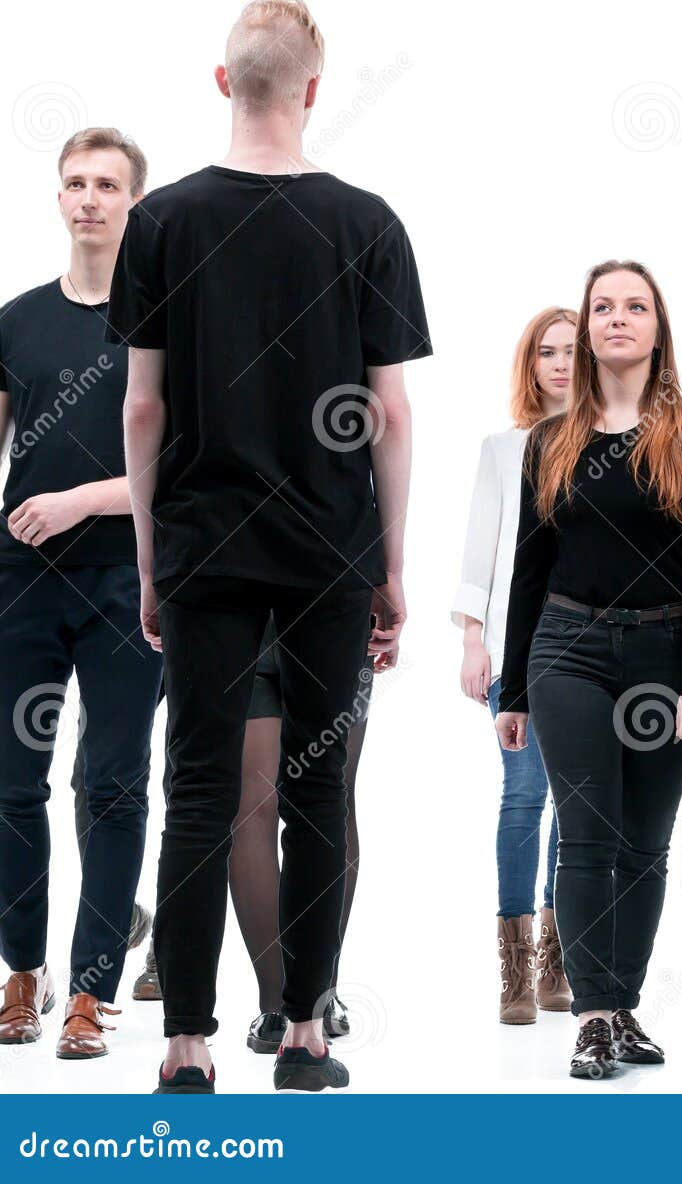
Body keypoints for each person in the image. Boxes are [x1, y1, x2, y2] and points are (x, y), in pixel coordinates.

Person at [110, 0, 430, 1094]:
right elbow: (389, 414)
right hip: (328, 548)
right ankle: (304, 1033)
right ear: (312, 88)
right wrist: (390, 564)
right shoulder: (368, 222)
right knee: (318, 788)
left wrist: (150, 560)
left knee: (199, 788)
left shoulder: (161, 222)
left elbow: (142, 409)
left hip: (203, 544)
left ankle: (185, 1044)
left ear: (223, 81)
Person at [495, 260, 682, 1081]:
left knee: (646, 843)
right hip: (568, 650)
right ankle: (593, 1015)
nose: (617, 318)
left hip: (666, 656)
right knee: (587, 834)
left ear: (658, 327)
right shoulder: (551, 440)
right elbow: (529, 569)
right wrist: (514, 690)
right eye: (603, 307)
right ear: (588, 327)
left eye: (635, 306)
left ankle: (622, 1007)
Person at [0, 127, 165, 1061]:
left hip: (127, 582)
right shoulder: (17, 321)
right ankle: (24, 974)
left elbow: (182, 465)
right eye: (76, 183)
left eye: (108, 184)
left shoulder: (165, 323)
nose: (90, 198)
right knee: (11, 783)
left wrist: (78, 502)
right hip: (21, 582)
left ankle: (93, 990)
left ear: (135, 202)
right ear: (59, 198)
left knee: (112, 783)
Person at [454, 306, 576, 1023]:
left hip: (586, 646)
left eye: (571, 351)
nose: (560, 364)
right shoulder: (504, 449)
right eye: (547, 352)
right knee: (524, 794)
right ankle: (515, 969)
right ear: (530, 364)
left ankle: (557, 959)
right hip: (515, 646)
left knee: (576, 803)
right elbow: (482, 546)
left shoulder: (608, 441)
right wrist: (474, 640)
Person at [231, 618, 383, 1053]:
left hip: (242, 606)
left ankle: (276, 1007)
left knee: (253, 808)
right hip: (333, 604)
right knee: (331, 797)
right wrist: (389, 599)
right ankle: (319, 995)